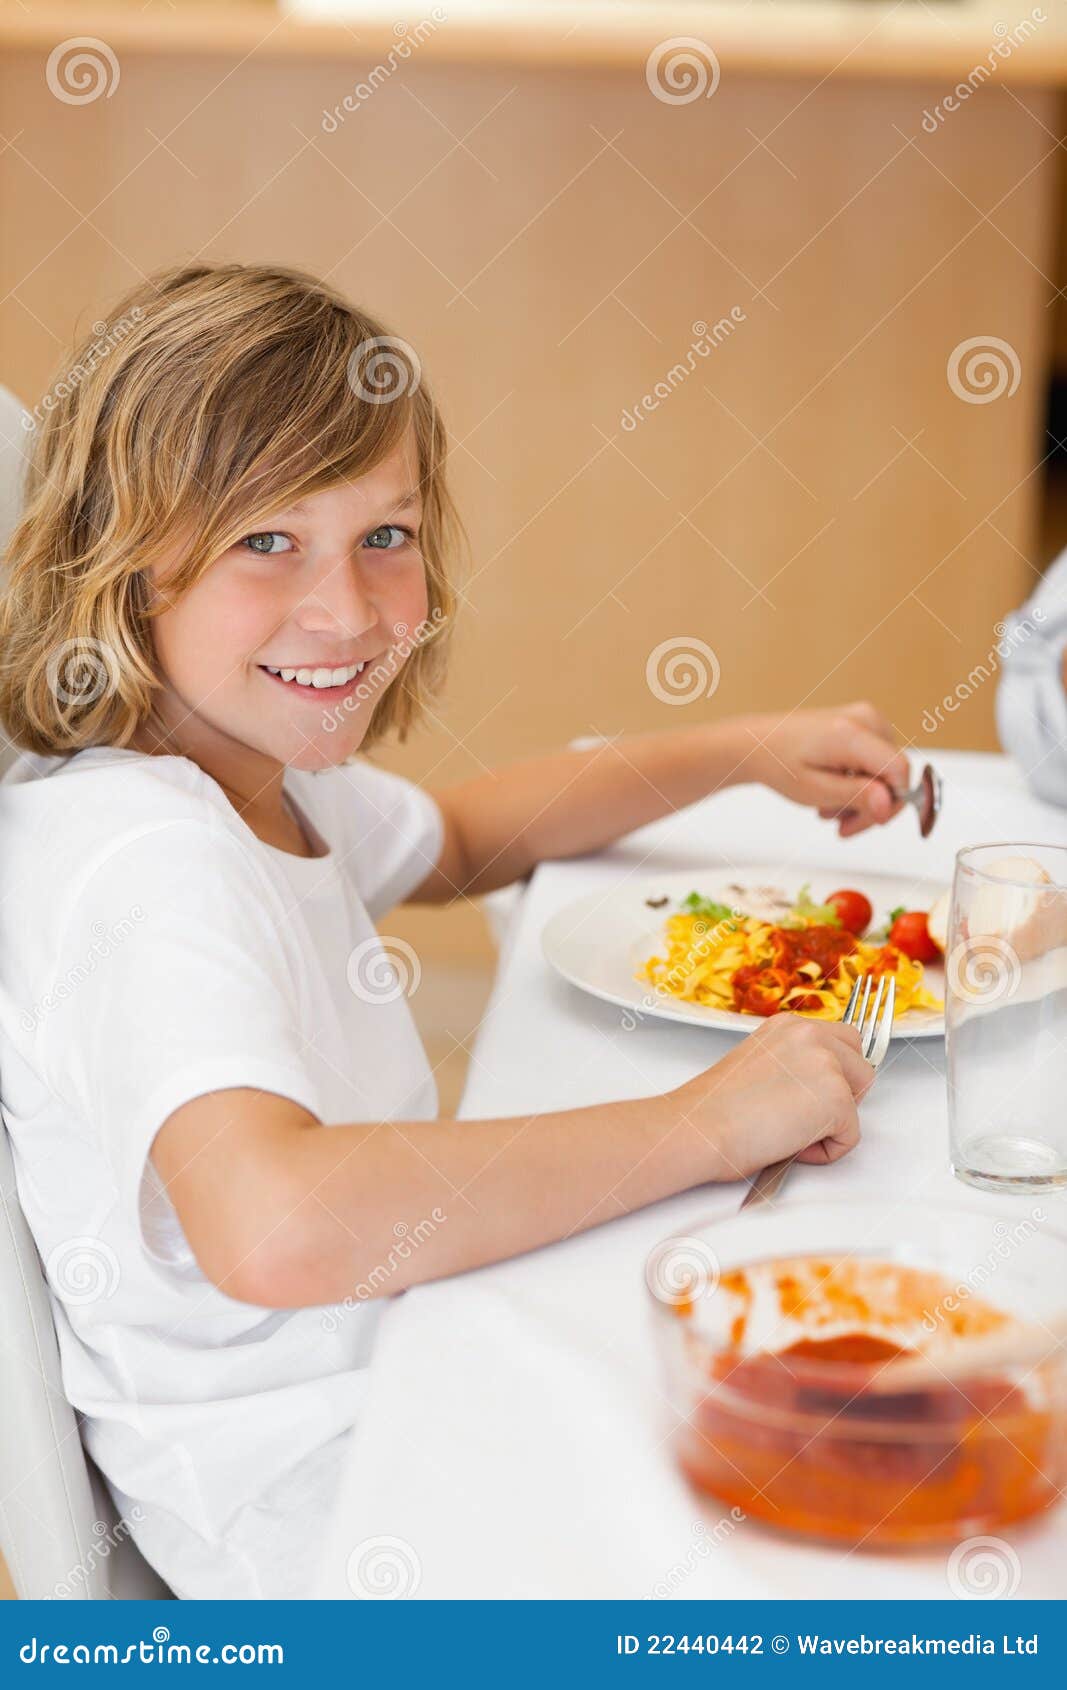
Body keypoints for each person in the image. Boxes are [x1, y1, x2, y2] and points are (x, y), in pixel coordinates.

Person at [0, 263, 907, 1598]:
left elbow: (467, 836)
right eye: (268, 541)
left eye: (389, 534)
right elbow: (274, 1224)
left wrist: (744, 750)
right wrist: (705, 1123)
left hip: (415, 1389)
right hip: (339, 1537)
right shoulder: (148, 861)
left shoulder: (248, 770)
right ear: (132, 563)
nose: (350, 610)